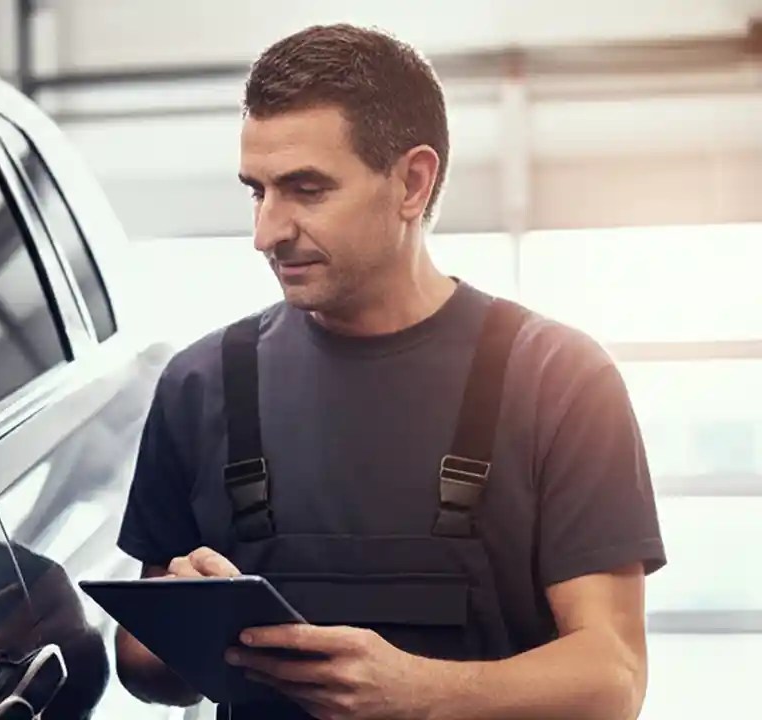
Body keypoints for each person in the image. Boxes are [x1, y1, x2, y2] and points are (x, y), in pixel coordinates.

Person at [114, 23, 666, 720]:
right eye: (257, 191)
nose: (266, 232)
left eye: (305, 189)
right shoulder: (202, 384)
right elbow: (143, 670)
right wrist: (178, 618)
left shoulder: (559, 379)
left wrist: (419, 694)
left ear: (412, 182)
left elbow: (612, 677)